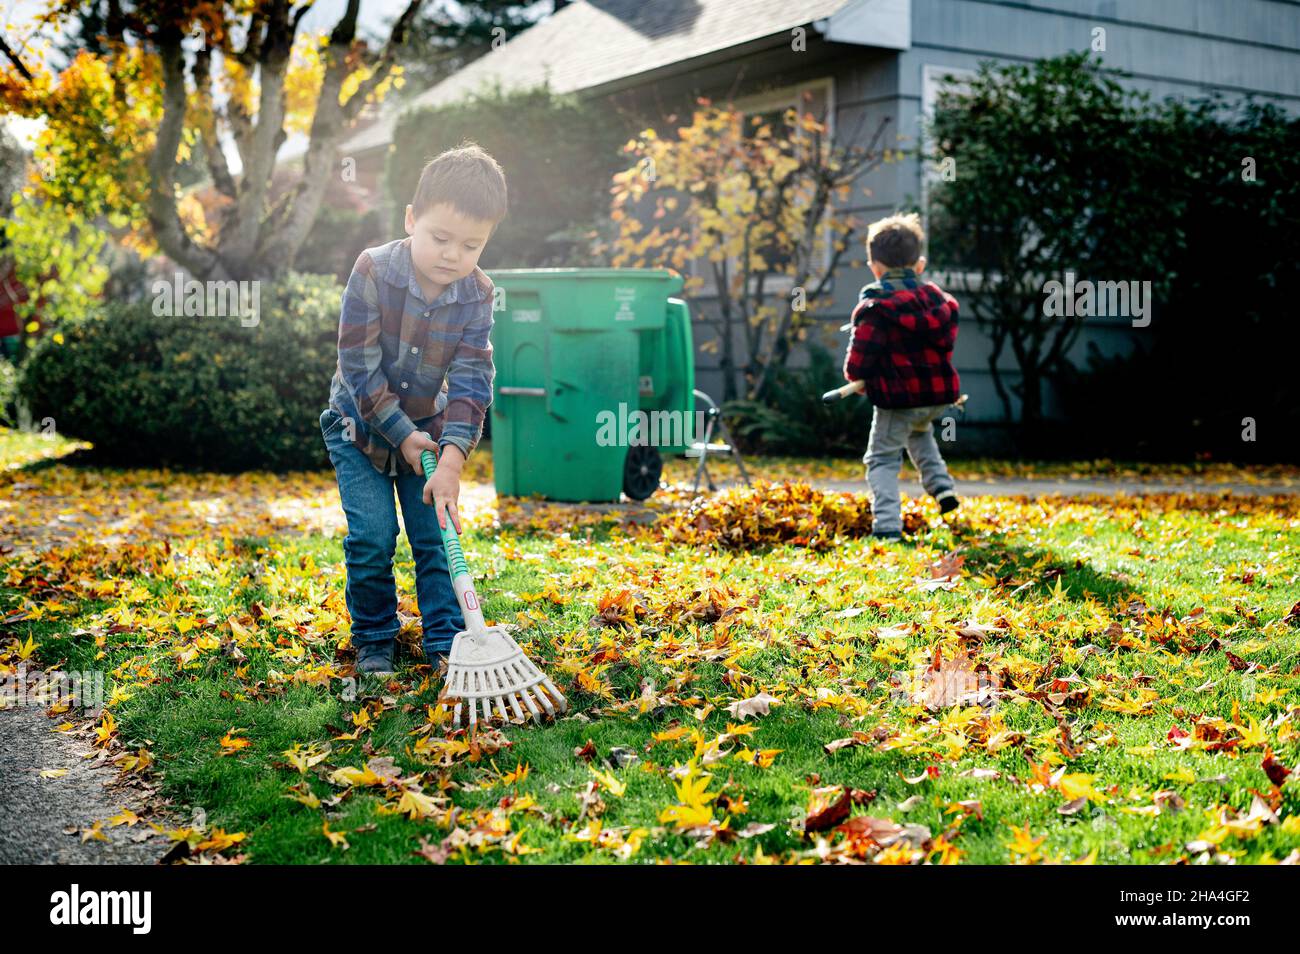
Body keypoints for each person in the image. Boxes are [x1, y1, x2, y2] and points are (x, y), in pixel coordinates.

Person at [320, 142, 506, 674]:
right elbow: (357, 365)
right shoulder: (374, 270)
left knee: (436, 535)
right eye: (440, 237)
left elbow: (472, 379)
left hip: (431, 429)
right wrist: (399, 432)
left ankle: (447, 639)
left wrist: (451, 460)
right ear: (411, 218)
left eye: (472, 245)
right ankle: (375, 635)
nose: (453, 254)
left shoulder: (477, 293)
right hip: (358, 425)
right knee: (373, 536)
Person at [842, 213, 961, 540]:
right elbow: (943, 343)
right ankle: (942, 488)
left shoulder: (876, 308)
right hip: (936, 397)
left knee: (880, 459)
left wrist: (855, 376)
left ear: (874, 267)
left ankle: (887, 527)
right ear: (919, 265)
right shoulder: (940, 302)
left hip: (899, 398)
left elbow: (861, 356)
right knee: (920, 434)